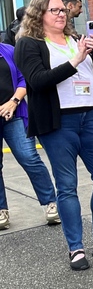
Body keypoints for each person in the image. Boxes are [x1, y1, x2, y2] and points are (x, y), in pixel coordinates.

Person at [15, 0, 93, 271]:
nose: (62, 14)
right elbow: (38, 81)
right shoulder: (29, 44)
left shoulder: (77, 40)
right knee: (67, 185)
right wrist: (75, 60)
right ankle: (75, 248)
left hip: (90, 117)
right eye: (54, 10)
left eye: (64, 10)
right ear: (39, 14)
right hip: (59, 122)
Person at [0, 41, 60, 229]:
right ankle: (1, 210)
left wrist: (13, 102)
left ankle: (50, 203)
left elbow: (23, 78)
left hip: (14, 112)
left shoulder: (8, 50)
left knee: (29, 157)